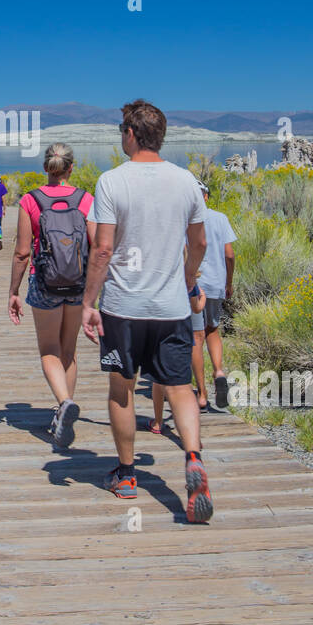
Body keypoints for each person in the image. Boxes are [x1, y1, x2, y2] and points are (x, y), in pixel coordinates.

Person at [81, 99, 213, 523]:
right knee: (179, 387)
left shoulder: (112, 182)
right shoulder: (186, 182)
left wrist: (88, 302)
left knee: (121, 388)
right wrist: (189, 280)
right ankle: (192, 457)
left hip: (124, 307)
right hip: (171, 306)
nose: (121, 136)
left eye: (122, 129)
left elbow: (103, 248)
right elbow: (200, 244)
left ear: (132, 134)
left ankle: (126, 475)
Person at [8, 143, 96, 449]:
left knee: (48, 350)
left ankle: (63, 404)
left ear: (46, 168)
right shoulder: (86, 200)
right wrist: (94, 294)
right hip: (77, 284)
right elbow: (97, 248)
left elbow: (21, 253)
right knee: (68, 351)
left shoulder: (31, 201)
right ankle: (64, 409)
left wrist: (13, 292)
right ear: (71, 167)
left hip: (43, 283)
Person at [196, 180, 237, 409]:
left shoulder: (186, 219)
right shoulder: (220, 219)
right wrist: (228, 282)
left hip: (193, 285)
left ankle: (202, 394)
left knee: (195, 337)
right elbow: (229, 254)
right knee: (213, 330)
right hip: (215, 284)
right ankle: (219, 372)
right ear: (207, 197)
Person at [150, 283, 207, 432]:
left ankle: (157, 422)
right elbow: (197, 308)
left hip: (158, 332)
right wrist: (203, 298)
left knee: (158, 379)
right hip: (181, 335)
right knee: (183, 385)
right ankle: (192, 434)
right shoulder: (188, 281)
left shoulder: (157, 279)